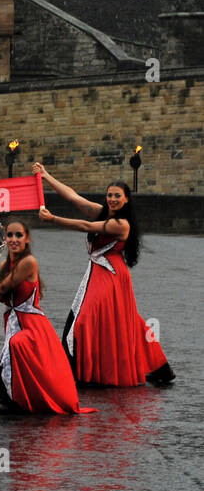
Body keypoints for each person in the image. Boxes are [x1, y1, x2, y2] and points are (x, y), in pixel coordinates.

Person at [35, 164, 174, 386]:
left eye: (117, 196)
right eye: (109, 195)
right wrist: (46, 176)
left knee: (85, 320)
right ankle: (156, 367)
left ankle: (83, 371)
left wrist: (53, 220)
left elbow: (84, 226)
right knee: (122, 319)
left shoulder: (121, 224)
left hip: (111, 274)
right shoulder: (103, 212)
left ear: (126, 199)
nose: (112, 199)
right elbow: (73, 197)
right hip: (99, 271)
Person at [0, 220, 89, 414]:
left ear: (27, 239)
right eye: (9, 235)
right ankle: (16, 401)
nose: (14, 239)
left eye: (19, 235)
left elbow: (2, 288)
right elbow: (4, 297)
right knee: (9, 360)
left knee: (16, 350)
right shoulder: (5, 264)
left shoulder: (28, 262)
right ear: (4, 237)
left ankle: (19, 402)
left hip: (31, 325)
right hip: (15, 321)